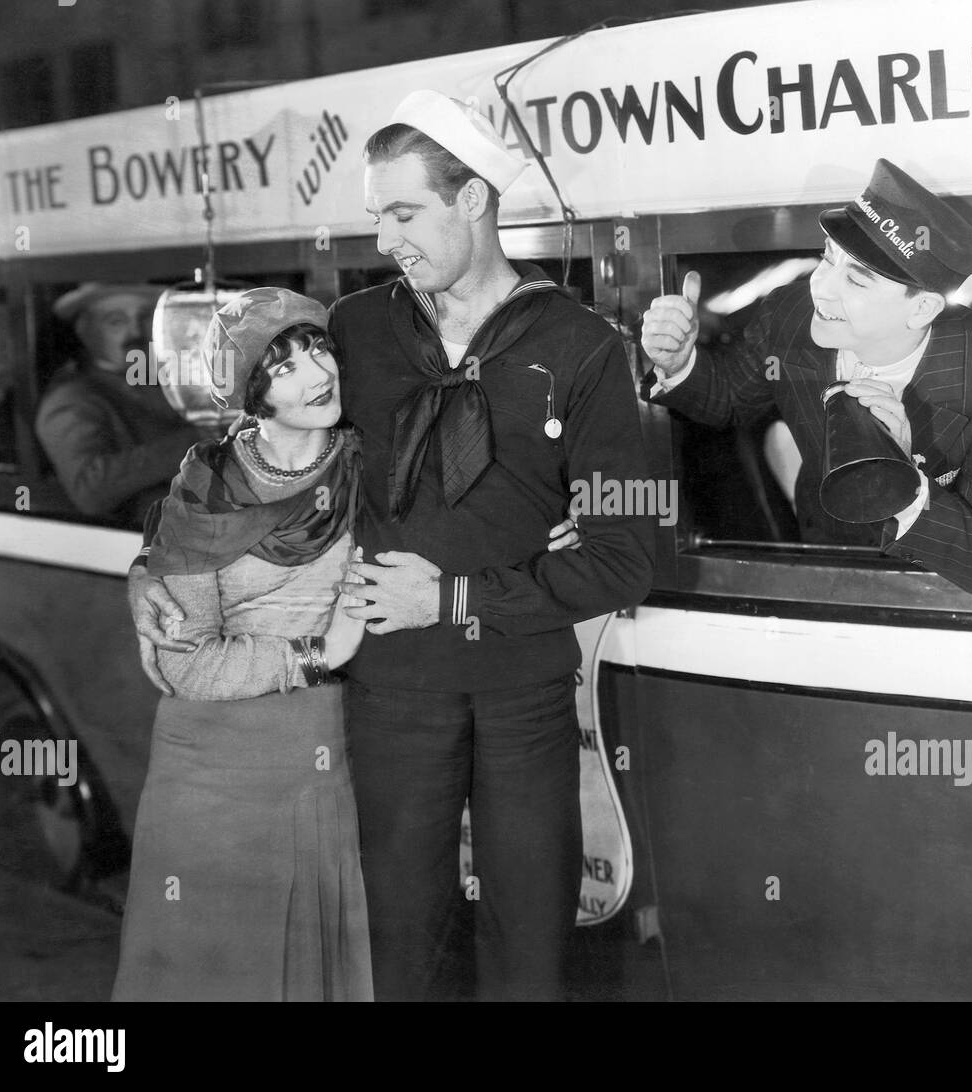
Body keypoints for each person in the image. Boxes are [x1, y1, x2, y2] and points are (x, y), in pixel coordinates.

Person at [127, 91, 655, 1001]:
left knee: (530, 951)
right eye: (378, 217)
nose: (386, 240)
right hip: (384, 698)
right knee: (394, 955)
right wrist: (168, 556)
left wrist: (454, 598)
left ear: (474, 200)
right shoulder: (355, 331)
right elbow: (261, 444)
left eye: (404, 212)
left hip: (524, 698)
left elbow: (625, 556)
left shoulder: (584, 347)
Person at [111, 287, 373, 1001]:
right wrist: (318, 654)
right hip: (214, 771)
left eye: (318, 348)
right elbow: (184, 663)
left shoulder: (372, 465)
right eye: (283, 366)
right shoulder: (208, 485)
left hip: (329, 754)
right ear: (251, 389)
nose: (316, 373)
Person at [641, 159, 972, 594]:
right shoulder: (788, 315)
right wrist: (678, 363)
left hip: (944, 580)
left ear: (921, 308)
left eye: (858, 281)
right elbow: (730, 400)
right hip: (828, 557)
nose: (821, 288)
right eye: (826, 259)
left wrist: (900, 482)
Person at [35, 283, 205, 523]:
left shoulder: (159, 378)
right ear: (86, 332)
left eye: (144, 318)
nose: (134, 332)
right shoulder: (71, 399)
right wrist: (197, 439)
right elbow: (90, 491)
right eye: (116, 322)